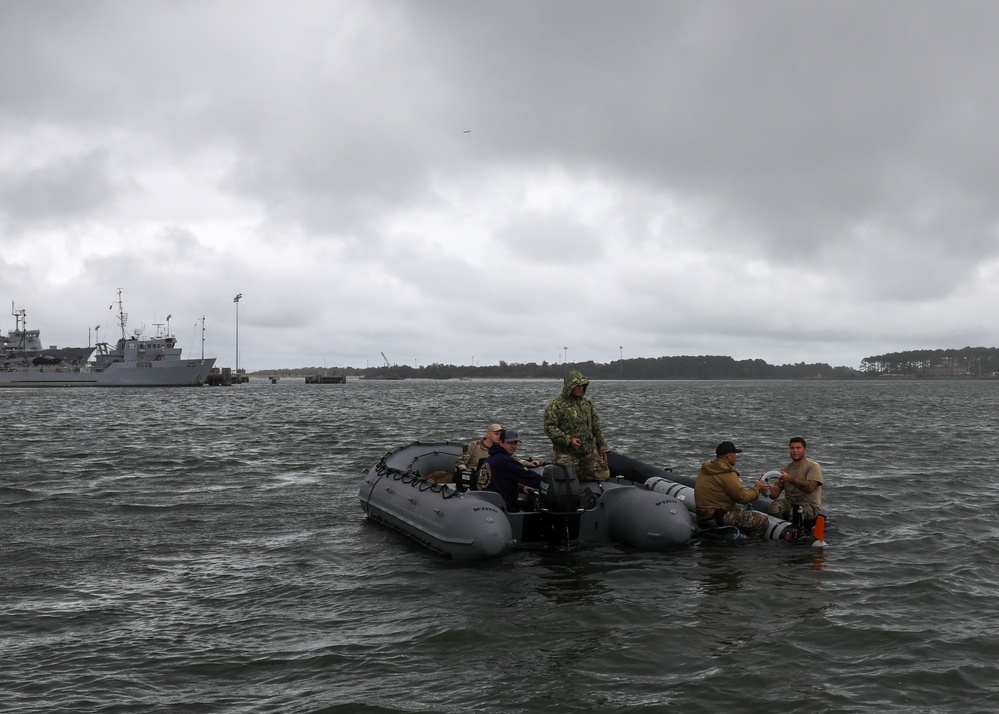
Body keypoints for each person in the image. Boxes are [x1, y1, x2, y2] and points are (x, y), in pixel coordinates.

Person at [694, 441, 772, 538]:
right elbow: (742, 498)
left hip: (703, 515)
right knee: (762, 520)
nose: (736, 456)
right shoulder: (727, 473)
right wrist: (758, 488)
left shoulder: (706, 469)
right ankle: (750, 544)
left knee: (738, 509)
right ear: (728, 456)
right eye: (734, 454)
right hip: (717, 518)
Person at [543, 370, 610, 481]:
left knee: (604, 474)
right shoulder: (556, 405)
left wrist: (602, 447)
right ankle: (575, 475)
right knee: (568, 477)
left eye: (582, 385)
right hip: (566, 453)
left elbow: (596, 426)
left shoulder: (586, 404)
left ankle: (580, 474)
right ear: (569, 386)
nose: (580, 388)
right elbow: (549, 427)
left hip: (586, 452)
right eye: (577, 385)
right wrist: (569, 440)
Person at [480, 428, 543, 512]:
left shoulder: (490, 459)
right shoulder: (505, 460)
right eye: (509, 443)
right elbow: (529, 477)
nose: (513, 446)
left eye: (515, 443)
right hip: (503, 510)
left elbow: (500, 480)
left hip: (488, 506)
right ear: (501, 442)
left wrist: (522, 488)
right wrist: (548, 483)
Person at [767, 437, 823, 524]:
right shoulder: (785, 469)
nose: (795, 451)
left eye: (798, 448)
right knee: (774, 506)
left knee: (796, 512)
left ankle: (796, 533)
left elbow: (810, 487)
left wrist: (790, 480)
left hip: (809, 506)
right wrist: (765, 487)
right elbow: (774, 494)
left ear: (805, 450)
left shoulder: (813, 467)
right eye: (792, 448)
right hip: (790, 503)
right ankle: (780, 529)